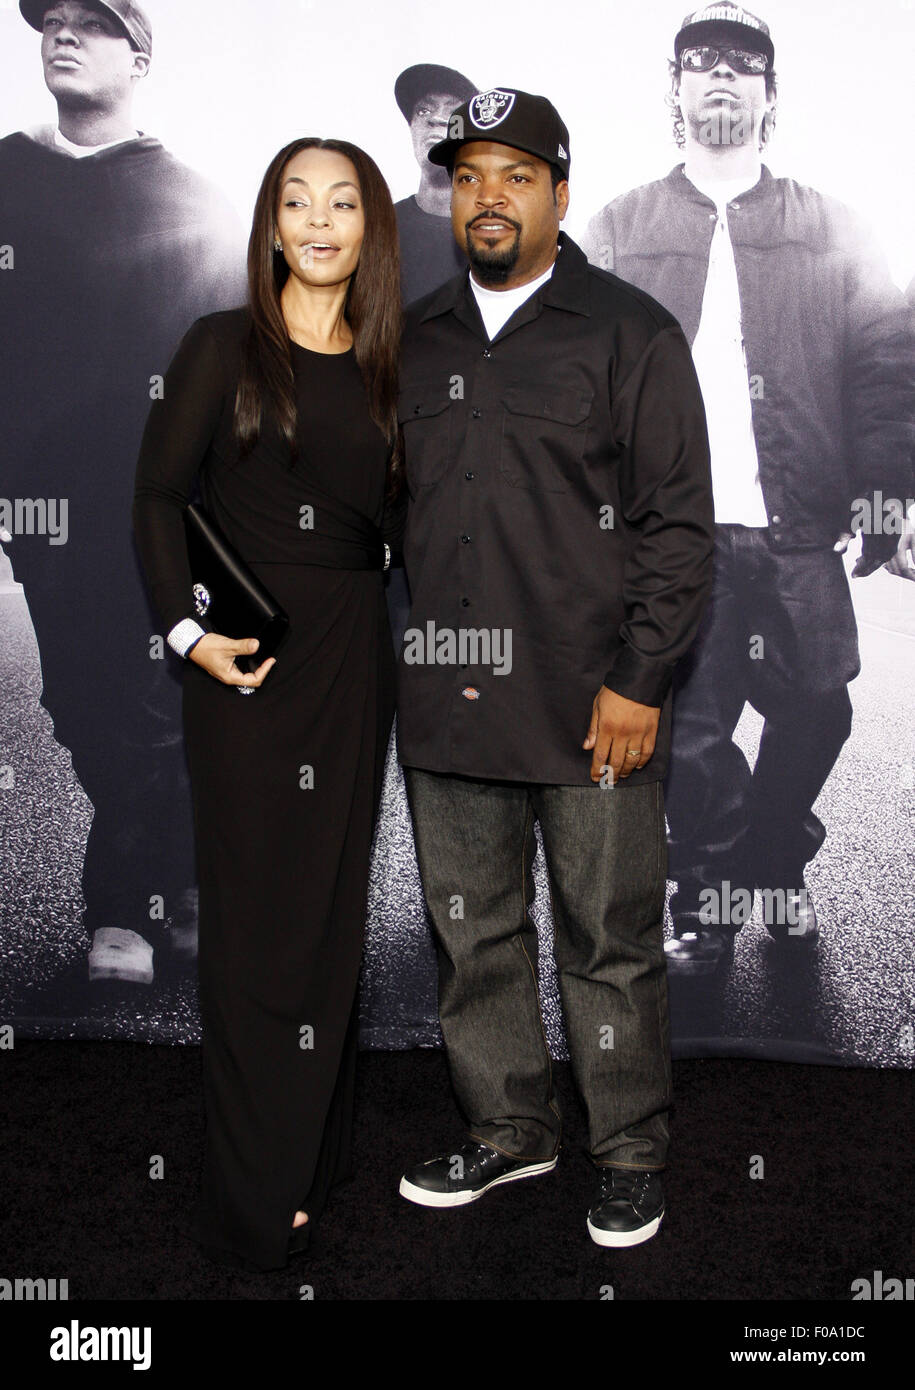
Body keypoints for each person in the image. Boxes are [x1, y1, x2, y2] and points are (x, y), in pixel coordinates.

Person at [394, 88, 714, 1245]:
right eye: (469, 175)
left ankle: (627, 1150)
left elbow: (679, 528)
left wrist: (641, 680)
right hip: (447, 698)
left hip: (594, 704)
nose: (489, 196)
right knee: (473, 934)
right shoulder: (413, 336)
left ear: (559, 192)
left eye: (515, 175)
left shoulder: (631, 331)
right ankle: (508, 1134)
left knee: (607, 941)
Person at [582, 5, 915, 974]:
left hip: (798, 521)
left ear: (772, 94)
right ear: (675, 89)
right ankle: (716, 891)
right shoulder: (621, 222)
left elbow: (887, 362)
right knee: (692, 726)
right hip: (676, 527)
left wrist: (888, 497)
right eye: (700, 62)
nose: (720, 76)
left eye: (742, 63)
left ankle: (775, 859)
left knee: (820, 707)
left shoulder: (833, 222)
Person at [132, 137, 404, 1270]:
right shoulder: (218, 348)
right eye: (297, 201)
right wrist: (189, 637)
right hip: (244, 666)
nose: (319, 220)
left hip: (352, 661)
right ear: (271, 224)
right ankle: (254, 1187)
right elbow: (155, 495)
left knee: (328, 911)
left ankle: (311, 1153)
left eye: (342, 202)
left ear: (370, 227)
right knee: (254, 923)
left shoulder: (396, 366)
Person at [0, 0, 247, 992]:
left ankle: (128, 908)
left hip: (156, 498)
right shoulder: (5, 176)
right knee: (77, 699)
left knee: (149, 694)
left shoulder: (187, 195)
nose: (63, 31)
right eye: (49, 17)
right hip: (38, 498)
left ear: (138, 53)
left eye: (91, 21)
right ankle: (183, 877)